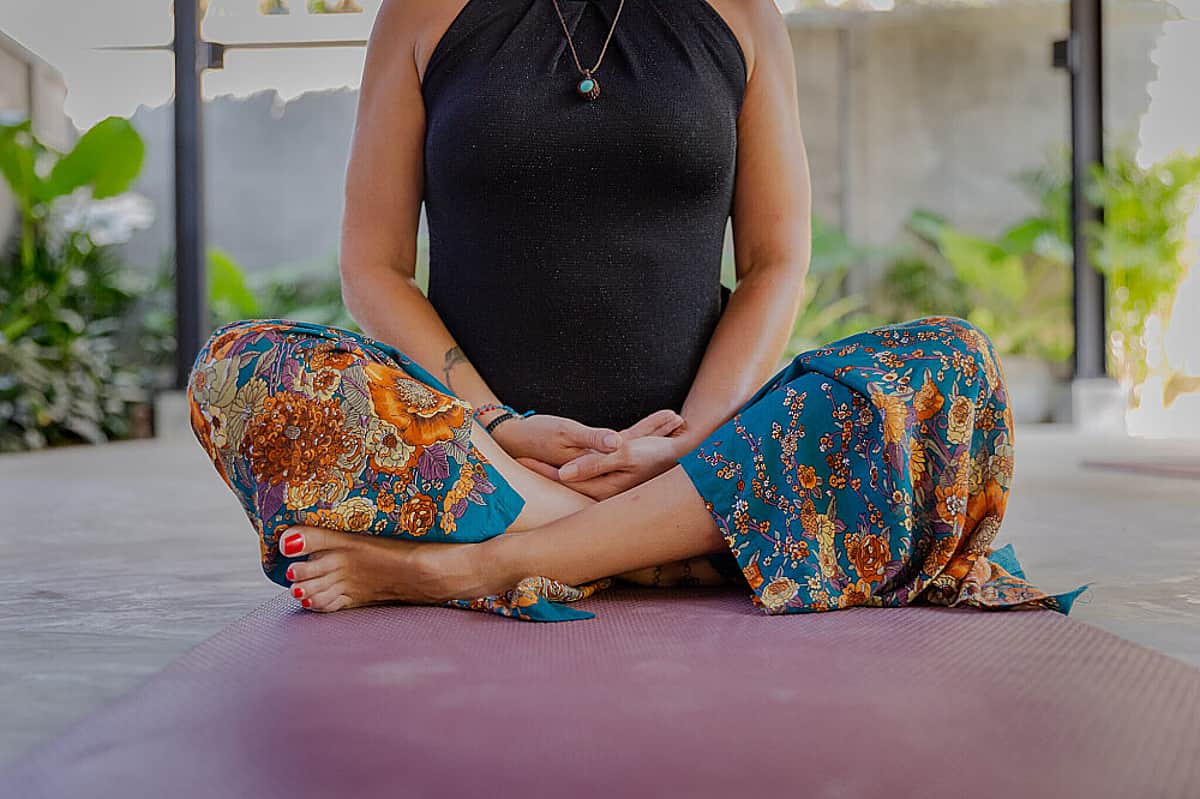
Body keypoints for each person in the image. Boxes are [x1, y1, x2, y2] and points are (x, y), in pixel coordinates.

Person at [186, 0, 1084, 620]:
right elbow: (374, 266)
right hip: (488, 455)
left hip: (700, 450)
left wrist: (693, 438)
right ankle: (679, 545)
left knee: (950, 362)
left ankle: (484, 564)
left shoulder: (742, 12)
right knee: (240, 370)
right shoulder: (421, 11)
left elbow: (777, 260)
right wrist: (497, 423)